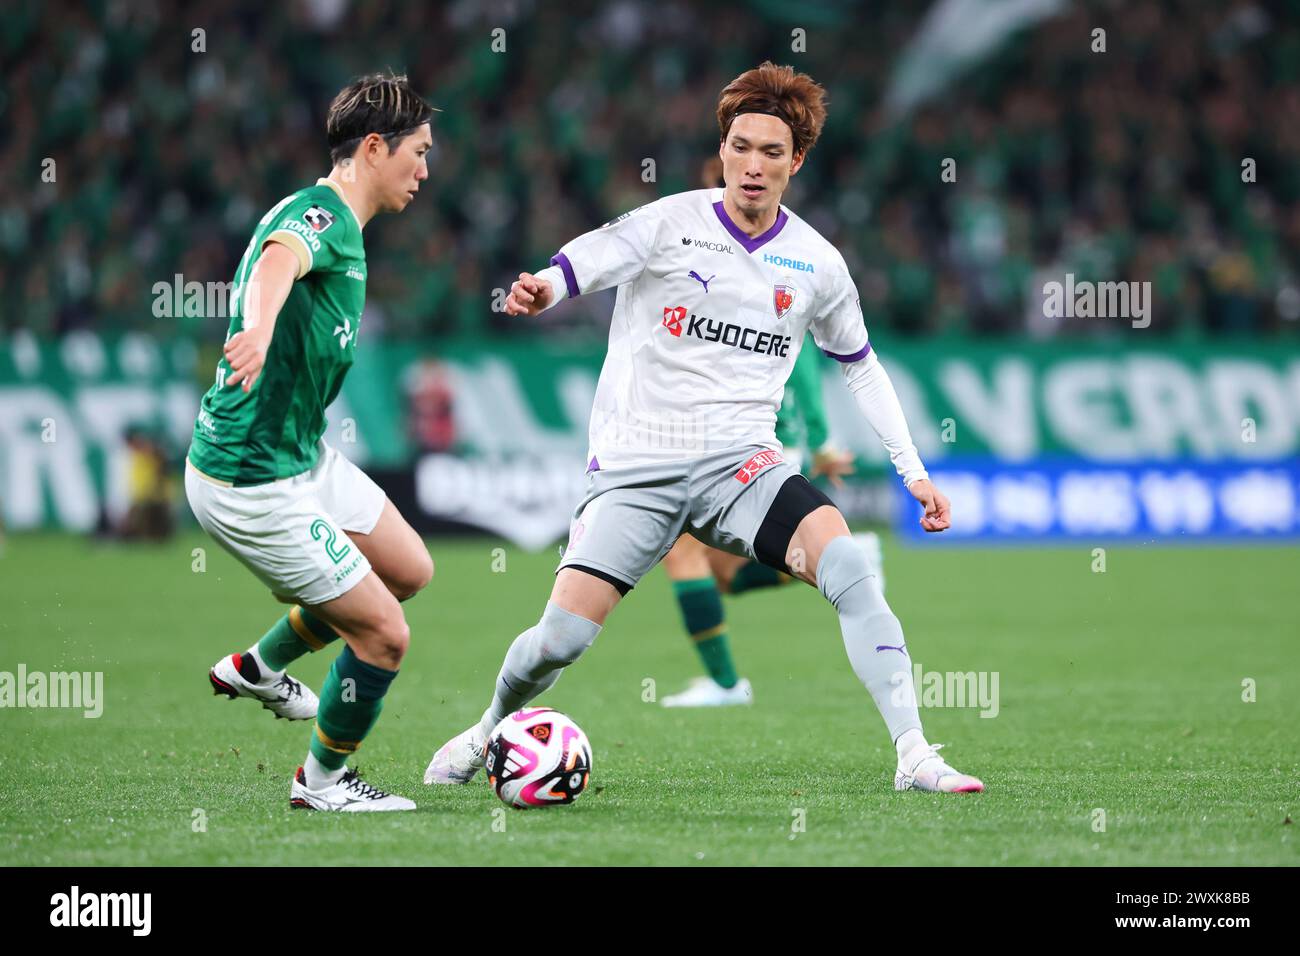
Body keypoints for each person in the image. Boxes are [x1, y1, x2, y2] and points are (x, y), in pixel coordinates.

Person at [425, 62, 982, 794]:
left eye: (771, 152)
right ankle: (487, 724)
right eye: (741, 147)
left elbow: (862, 366)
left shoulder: (816, 262)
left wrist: (912, 471)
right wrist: (544, 288)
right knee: (558, 643)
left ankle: (915, 754)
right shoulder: (668, 225)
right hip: (636, 467)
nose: (753, 166)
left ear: (797, 161)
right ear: (722, 148)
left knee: (849, 567)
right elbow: (585, 260)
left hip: (742, 467)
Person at [186, 72, 437, 811]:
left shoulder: (339, 223)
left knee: (408, 569)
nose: (425, 171)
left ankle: (260, 667)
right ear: (372, 147)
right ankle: (322, 783)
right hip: (251, 479)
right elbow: (276, 261)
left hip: (299, 456)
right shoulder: (321, 216)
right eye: (418, 153)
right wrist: (257, 329)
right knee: (386, 636)